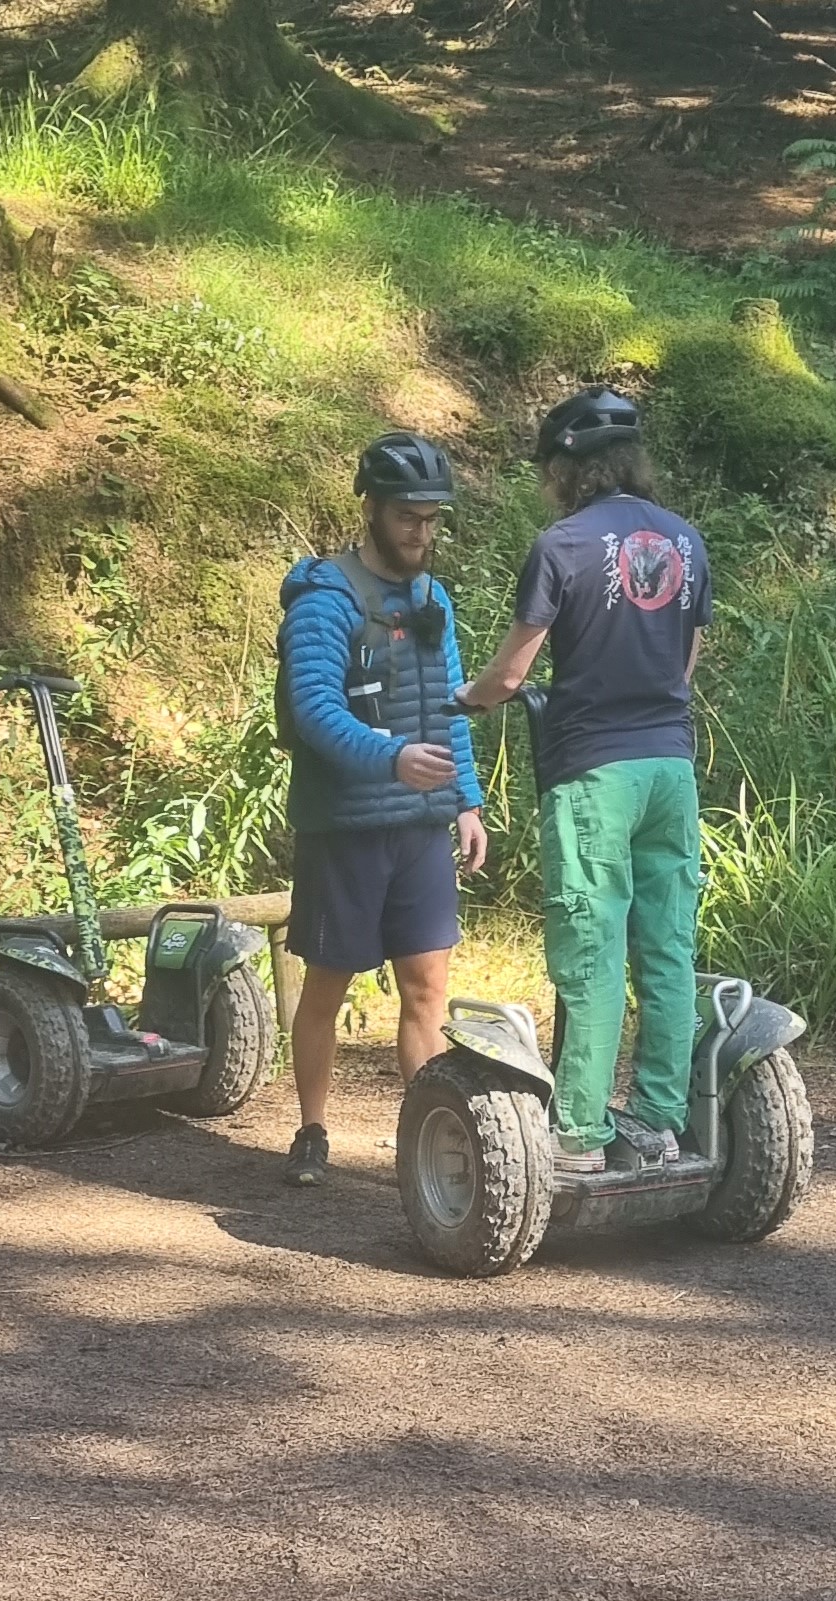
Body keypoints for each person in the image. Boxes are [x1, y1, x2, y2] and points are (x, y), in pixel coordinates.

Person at [455, 387, 711, 1174]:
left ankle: (580, 1137)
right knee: (667, 946)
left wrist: (470, 697)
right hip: (670, 765)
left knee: (592, 947)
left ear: (568, 467)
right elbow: (685, 663)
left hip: (595, 769)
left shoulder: (563, 544)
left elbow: (515, 668)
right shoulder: (687, 541)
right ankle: (663, 1123)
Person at [275, 431, 488, 1189]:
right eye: (407, 517)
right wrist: (390, 756)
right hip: (346, 829)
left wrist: (466, 801)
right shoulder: (323, 601)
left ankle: (423, 1137)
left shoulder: (434, 599)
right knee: (327, 984)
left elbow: (450, 708)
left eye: (432, 519)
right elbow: (313, 712)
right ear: (370, 508)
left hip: (422, 829)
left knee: (427, 989)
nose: (421, 534)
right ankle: (310, 1130)